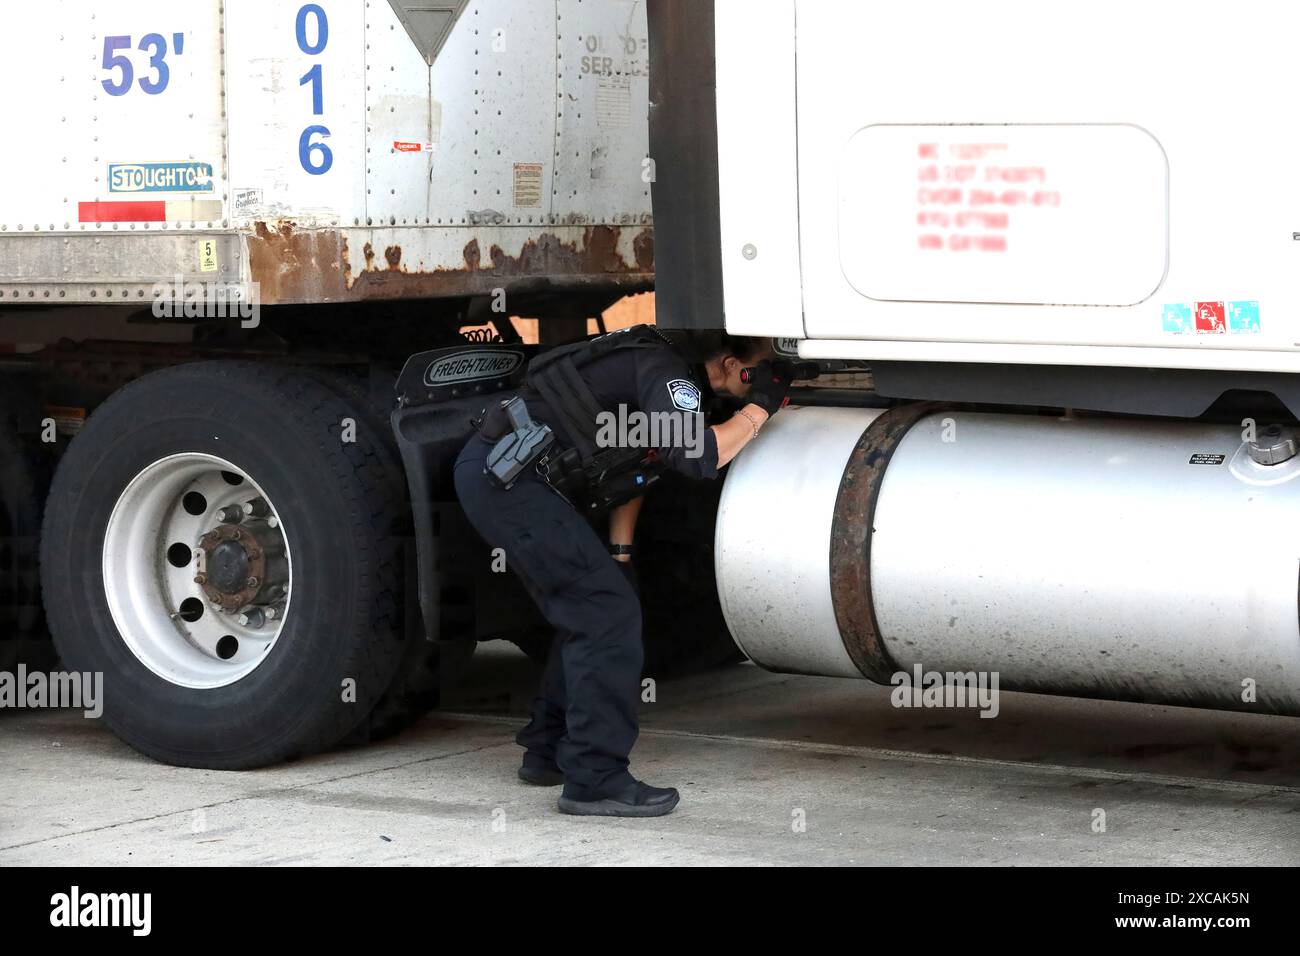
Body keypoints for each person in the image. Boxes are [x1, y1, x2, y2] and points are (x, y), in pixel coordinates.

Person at [452, 325, 790, 817]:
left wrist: (621, 554)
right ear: (726, 363)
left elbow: (635, 468)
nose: (761, 379)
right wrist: (759, 408)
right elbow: (697, 455)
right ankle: (594, 779)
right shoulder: (669, 373)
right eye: (757, 371)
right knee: (604, 615)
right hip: (507, 481)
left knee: (600, 606)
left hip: (512, 479)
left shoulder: (666, 367)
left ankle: (548, 750)